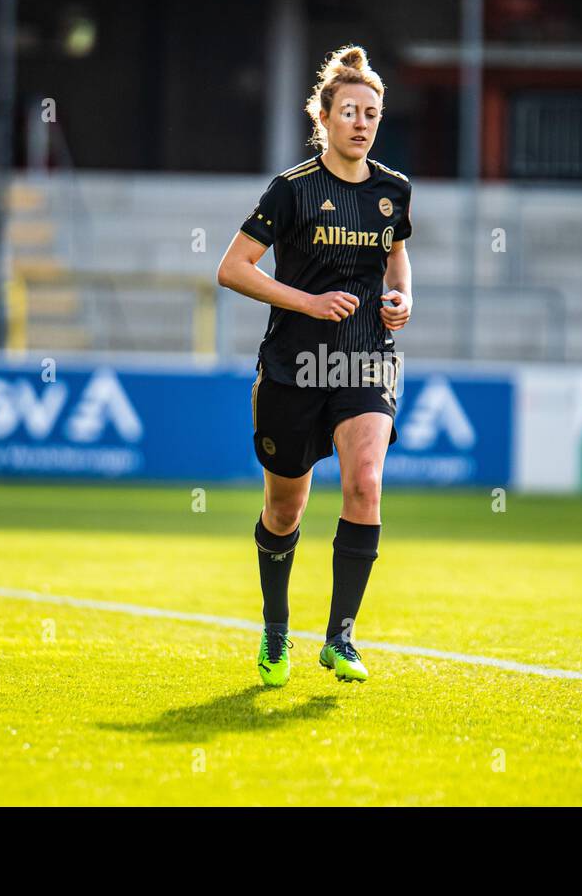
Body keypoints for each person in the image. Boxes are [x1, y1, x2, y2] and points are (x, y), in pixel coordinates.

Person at [216, 44, 413, 685]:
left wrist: (402, 298)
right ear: (323, 117)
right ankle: (276, 631)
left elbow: (396, 257)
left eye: (371, 114)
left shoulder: (393, 191)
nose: (361, 122)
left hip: (366, 359)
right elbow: (232, 269)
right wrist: (308, 301)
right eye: (349, 111)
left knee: (366, 483)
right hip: (295, 365)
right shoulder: (291, 190)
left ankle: (340, 637)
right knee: (285, 509)